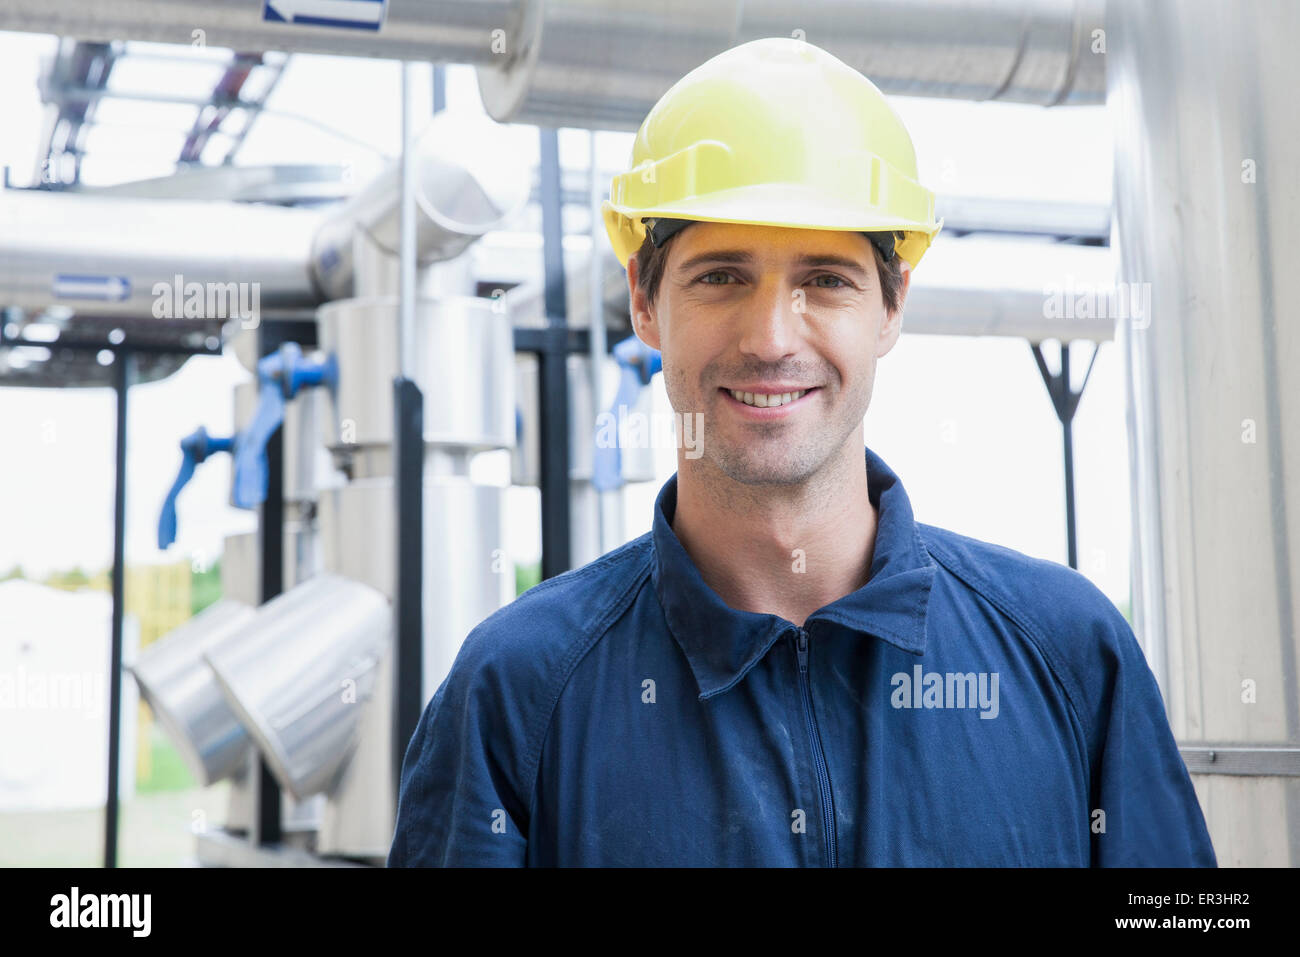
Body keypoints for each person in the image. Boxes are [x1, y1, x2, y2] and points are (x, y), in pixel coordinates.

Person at [388, 36, 1216, 866]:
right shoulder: (517, 691)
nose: (772, 337)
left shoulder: (1069, 655)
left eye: (825, 279)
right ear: (644, 299)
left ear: (892, 305)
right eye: (721, 276)